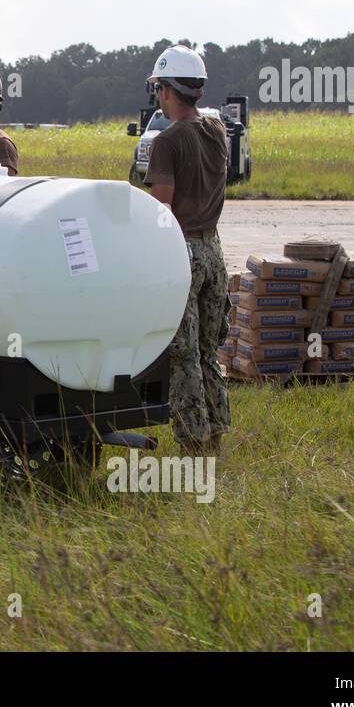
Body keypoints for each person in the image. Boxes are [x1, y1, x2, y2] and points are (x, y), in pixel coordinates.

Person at [142, 44, 231, 455]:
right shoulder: (218, 132)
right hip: (214, 251)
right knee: (209, 351)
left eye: (158, 88)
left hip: (183, 253)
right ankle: (216, 432)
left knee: (183, 355)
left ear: (165, 90)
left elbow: (162, 209)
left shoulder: (167, 141)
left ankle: (194, 443)